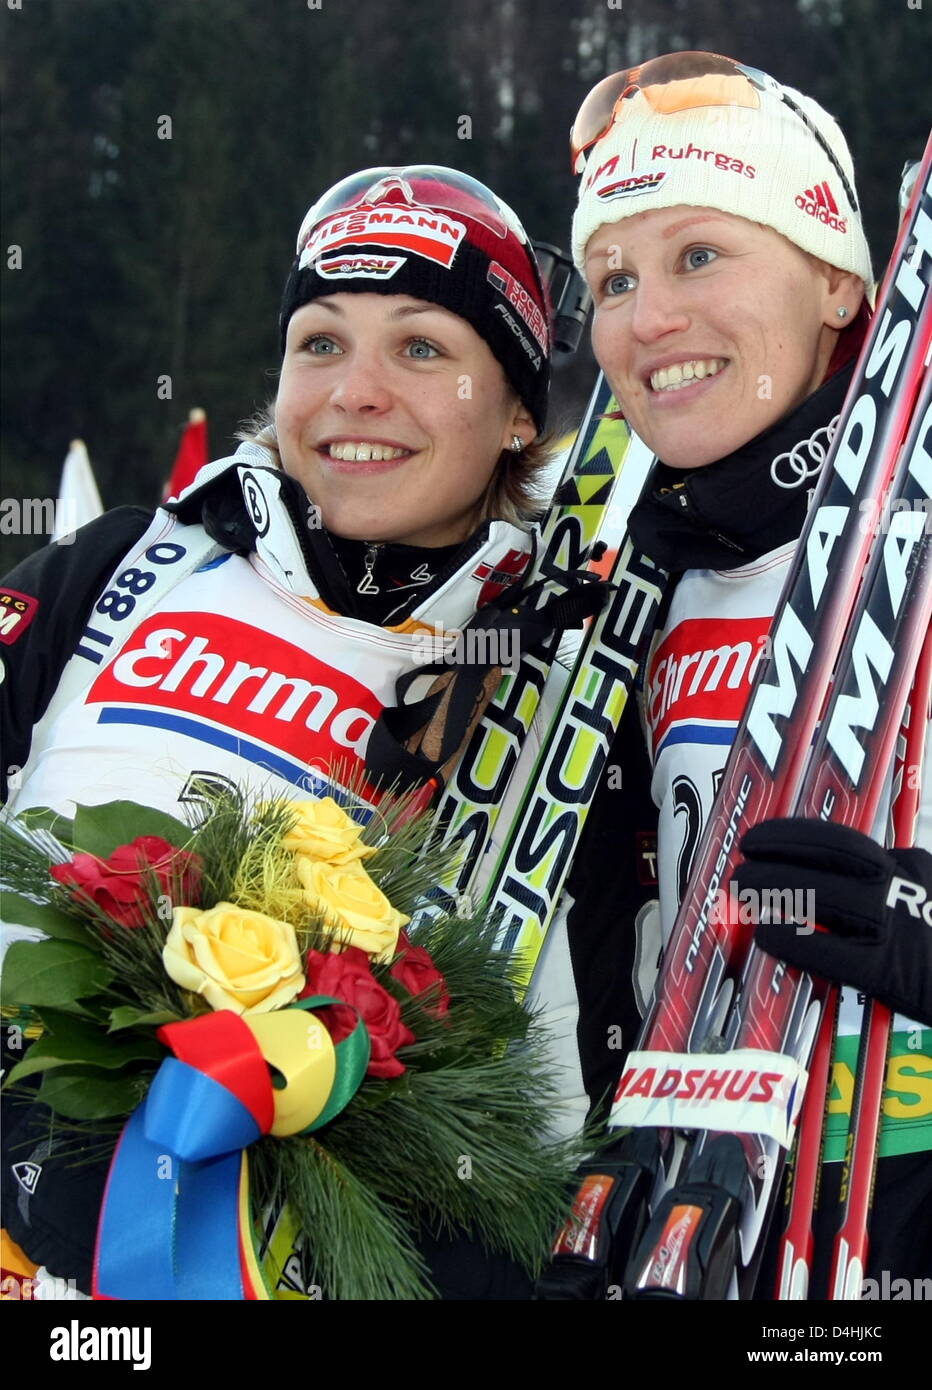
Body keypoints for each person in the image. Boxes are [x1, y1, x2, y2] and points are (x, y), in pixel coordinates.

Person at [0, 165, 593, 1299]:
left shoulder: (554, 683)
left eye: (420, 349)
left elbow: (562, 1097)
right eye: (320, 342)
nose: (354, 392)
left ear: (518, 409)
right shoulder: (123, 564)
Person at [560, 51, 932, 1293]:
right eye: (610, 279)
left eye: (698, 255)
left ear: (837, 281)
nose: (643, 318)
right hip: (698, 1209)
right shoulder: (638, 597)